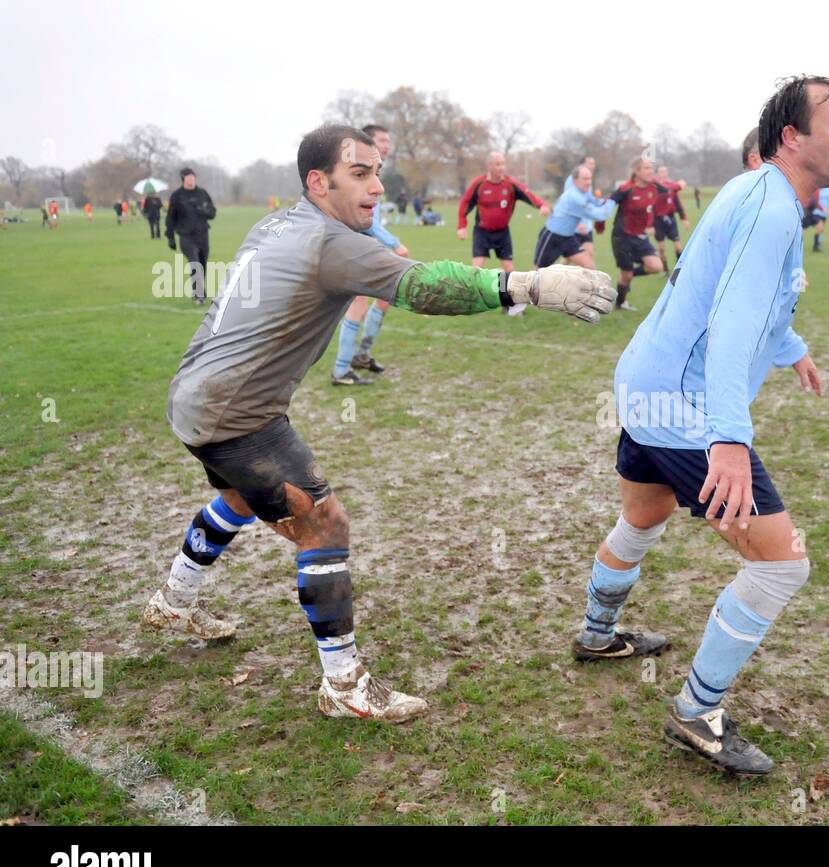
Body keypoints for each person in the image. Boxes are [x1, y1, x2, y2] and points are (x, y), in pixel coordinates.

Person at [146, 123, 615, 723]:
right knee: (325, 522)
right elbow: (418, 285)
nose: (377, 186)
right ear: (319, 182)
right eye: (360, 174)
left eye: (378, 173)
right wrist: (526, 284)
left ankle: (175, 600)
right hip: (235, 411)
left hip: (194, 394)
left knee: (239, 498)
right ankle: (343, 685)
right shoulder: (330, 242)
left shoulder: (279, 223)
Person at [571, 76, 829, 777]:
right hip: (685, 407)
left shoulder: (755, 191)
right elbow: (731, 322)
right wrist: (728, 437)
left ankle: (596, 633)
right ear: (793, 136)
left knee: (642, 515)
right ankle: (696, 713)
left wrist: (792, 350)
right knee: (782, 560)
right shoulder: (772, 209)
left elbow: (734, 294)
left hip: (644, 385)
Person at [332, 124, 407, 384]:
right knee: (359, 303)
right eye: (382, 140)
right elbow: (367, 220)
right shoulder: (359, 174)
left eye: (388, 140)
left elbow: (372, 217)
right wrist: (394, 243)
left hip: (366, 244)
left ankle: (361, 355)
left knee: (386, 296)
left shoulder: (372, 173)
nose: (386, 145)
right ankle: (341, 370)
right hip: (355, 244)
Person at [456, 151, 550, 275]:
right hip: (482, 232)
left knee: (509, 269)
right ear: (489, 166)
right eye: (498, 164)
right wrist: (461, 226)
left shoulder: (510, 184)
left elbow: (528, 195)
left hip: (502, 232)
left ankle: (510, 293)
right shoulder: (479, 184)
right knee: (476, 269)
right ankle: (474, 294)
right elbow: (465, 203)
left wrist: (541, 205)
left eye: (503, 164)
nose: (502, 168)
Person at [608, 158, 675, 311]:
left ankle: (628, 275)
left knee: (656, 266)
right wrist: (599, 224)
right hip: (622, 236)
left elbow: (666, 191)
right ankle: (620, 303)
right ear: (636, 172)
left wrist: (656, 181)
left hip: (640, 236)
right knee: (626, 274)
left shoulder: (653, 187)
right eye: (646, 168)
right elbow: (607, 204)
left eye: (651, 168)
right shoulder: (626, 189)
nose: (650, 171)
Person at [535, 164, 616, 269]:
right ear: (575, 180)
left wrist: (608, 201)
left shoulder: (583, 192)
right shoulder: (575, 197)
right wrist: (614, 199)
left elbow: (596, 202)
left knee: (590, 267)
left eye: (590, 179)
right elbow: (599, 215)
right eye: (585, 179)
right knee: (538, 273)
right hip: (553, 236)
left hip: (568, 237)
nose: (589, 182)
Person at [166, 167, 218, 304]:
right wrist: (170, 236)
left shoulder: (202, 193)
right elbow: (170, 217)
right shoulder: (177, 196)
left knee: (202, 264)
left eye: (193, 178)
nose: (191, 181)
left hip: (202, 234)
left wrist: (204, 211)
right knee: (194, 263)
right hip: (186, 235)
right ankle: (200, 295)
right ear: (183, 179)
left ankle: (197, 292)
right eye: (188, 178)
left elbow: (212, 213)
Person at [651, 164, 689, 265]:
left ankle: (678, 268)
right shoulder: (654, 186)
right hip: (658, 220)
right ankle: (665, 268)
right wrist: (650, 224)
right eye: (661, 171)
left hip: (670, 219)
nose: (663, 173)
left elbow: (677, 203)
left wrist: (683, 218)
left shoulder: (672, 187)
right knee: (661, 248)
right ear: (657, 173)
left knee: (678, 246)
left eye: (665, 171)